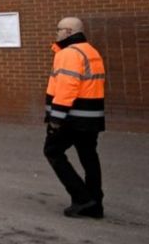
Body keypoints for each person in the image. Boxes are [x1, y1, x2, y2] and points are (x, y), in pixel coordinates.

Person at [44, 16, 106, 219]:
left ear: (69, 32)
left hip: (72, 117)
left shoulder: (69, 53)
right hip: (91, 116)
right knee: (89, 157)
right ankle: (96, 203)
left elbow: (67, 87)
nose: (57, 33)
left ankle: (81, 197)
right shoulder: (90, 51)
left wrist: (56, 118)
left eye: (58, 29)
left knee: (52, 151)